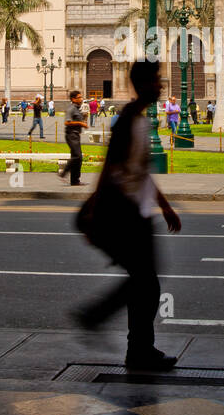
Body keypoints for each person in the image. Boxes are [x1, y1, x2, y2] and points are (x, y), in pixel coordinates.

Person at [73, 60, 182, 371]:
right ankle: (111, 329)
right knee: (145, 282)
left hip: (136, 211)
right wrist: (94, 211)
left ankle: (137, 349)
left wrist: (165, 205)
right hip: (124, 212)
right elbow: (110, 167)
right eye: (156, 80)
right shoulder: (127, 121)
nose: (161, 85)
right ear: (143, 84)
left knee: (145, 283)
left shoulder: (140, 120)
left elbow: (141, 170)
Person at [57, 89, 87, 186]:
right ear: (73, 99)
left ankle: (75, 180)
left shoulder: (77, 108)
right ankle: (63, 173)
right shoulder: (71, 108)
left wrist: (83, 118)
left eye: (81, 97)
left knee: (77, 157)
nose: (81, 99)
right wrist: (80, 123)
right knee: (77, 156)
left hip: (75, 135)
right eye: (79, 97)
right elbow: (67, 122)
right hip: (71, 135)